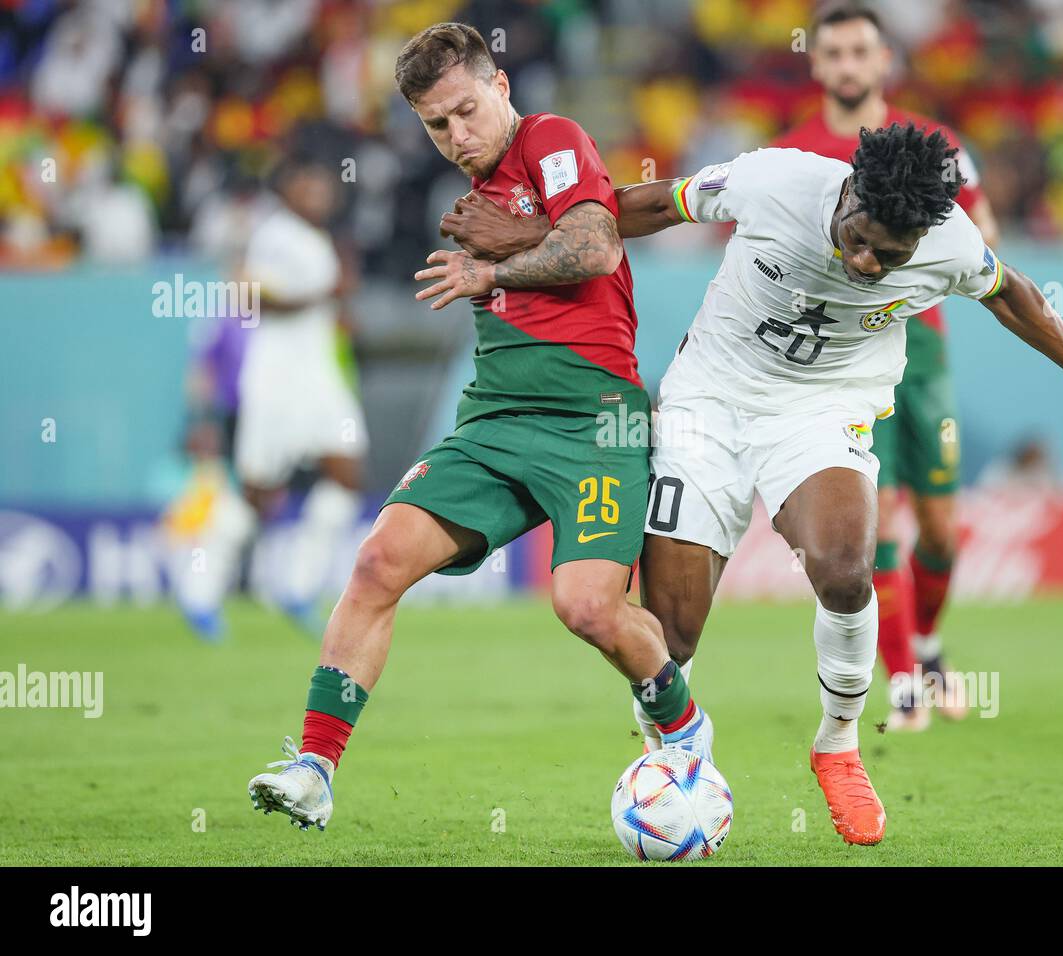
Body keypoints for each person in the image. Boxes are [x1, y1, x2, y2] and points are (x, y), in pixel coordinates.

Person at [439, 123, 1063, 846]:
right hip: (709, 401)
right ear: (848, 190)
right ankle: (672, 759)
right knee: (671, 632)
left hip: (823, 409)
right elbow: (653, 203)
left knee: (844, 567)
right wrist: (534, 233)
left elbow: (1013, 293)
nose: (867, 263)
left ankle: (838, 745)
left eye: (889, 257)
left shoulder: (950, 242)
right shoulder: (775, 180)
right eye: (859, 238)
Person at [247, 22, 711, 832]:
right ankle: (315, 768)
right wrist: (497, 257)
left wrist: (491, 269)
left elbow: (597, 247)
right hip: (494, 419)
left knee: (587, 609)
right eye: (436, 124)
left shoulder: (550, 139)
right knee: (377, 561)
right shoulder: (466, 200)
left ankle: (684, 731)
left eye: (466, 110)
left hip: (593, 421)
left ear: (500, 86)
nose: (457, 135)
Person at [773, 1, 1002, 731]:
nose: (847, 65)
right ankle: (903, 683)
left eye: (859, 52)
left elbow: (983, 235)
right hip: (841, 358)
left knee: (939, 529)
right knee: (878, 519)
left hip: (921, 351)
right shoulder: (794, 152)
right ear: (816, 63)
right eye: (834, 53)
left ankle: (926, 648)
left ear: (882, 61)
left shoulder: (935, 145)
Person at [178, 155, 368, 640]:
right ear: (288, 190)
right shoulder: (274, 235)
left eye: (325, 186)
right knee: (257, 493)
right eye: (310, 185)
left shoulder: (319, 239)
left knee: (347, 475)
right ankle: (199, 592)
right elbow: (249, 293)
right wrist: (322, 294)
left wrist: (334, 308)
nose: (321, 194)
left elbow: (323, 304)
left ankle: (299, 586)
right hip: (277, 383)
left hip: (319, 379)